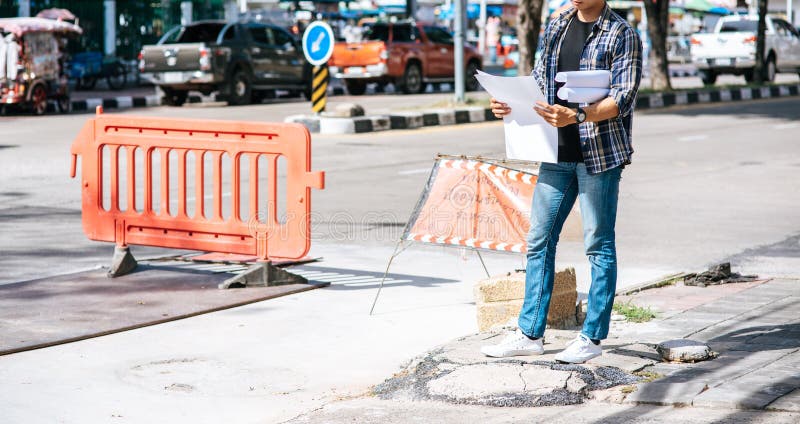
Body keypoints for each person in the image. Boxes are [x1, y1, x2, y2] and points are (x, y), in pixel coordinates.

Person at [481, 0, 642, 364]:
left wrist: (578, 115)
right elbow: (540, 82)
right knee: (539, 240)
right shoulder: (557, 26)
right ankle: (530, 333)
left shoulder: (622, 34)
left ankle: (592, 337)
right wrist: (507, 103)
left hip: (599, 156)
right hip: (556, 154)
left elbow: (623, 98)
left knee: (598, 245)